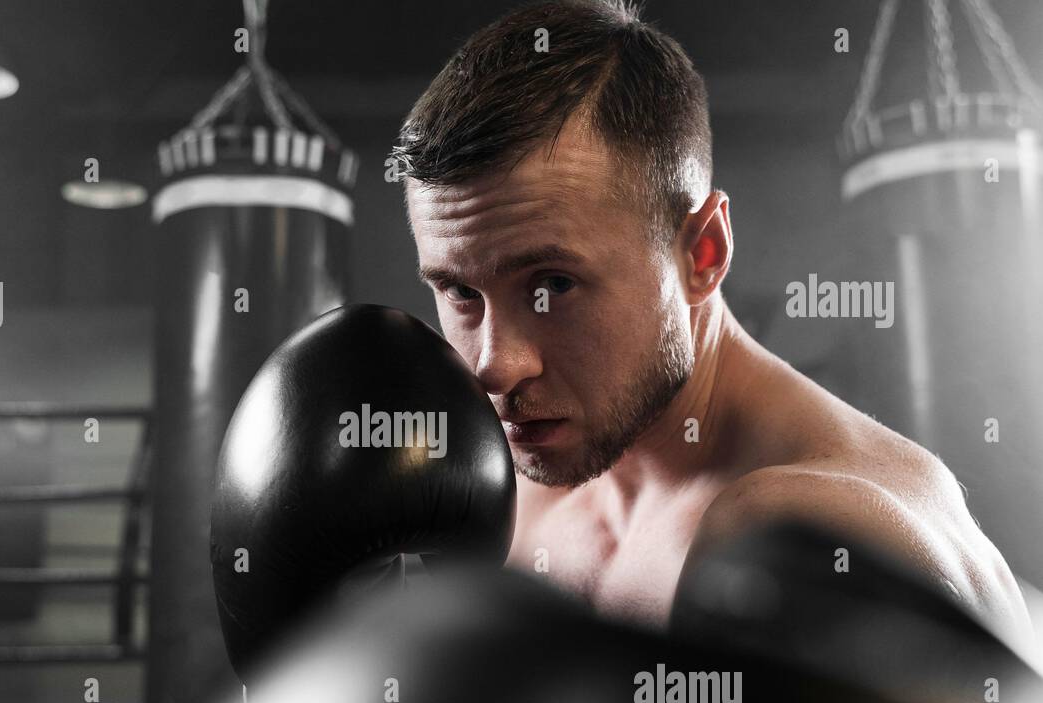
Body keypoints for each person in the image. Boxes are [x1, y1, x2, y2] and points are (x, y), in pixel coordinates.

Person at [394, 0, 1033, 650]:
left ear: (703, 253)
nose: (496, 366)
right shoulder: (511, 498)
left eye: (554, 284)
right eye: (461, 292)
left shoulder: (825, 532)